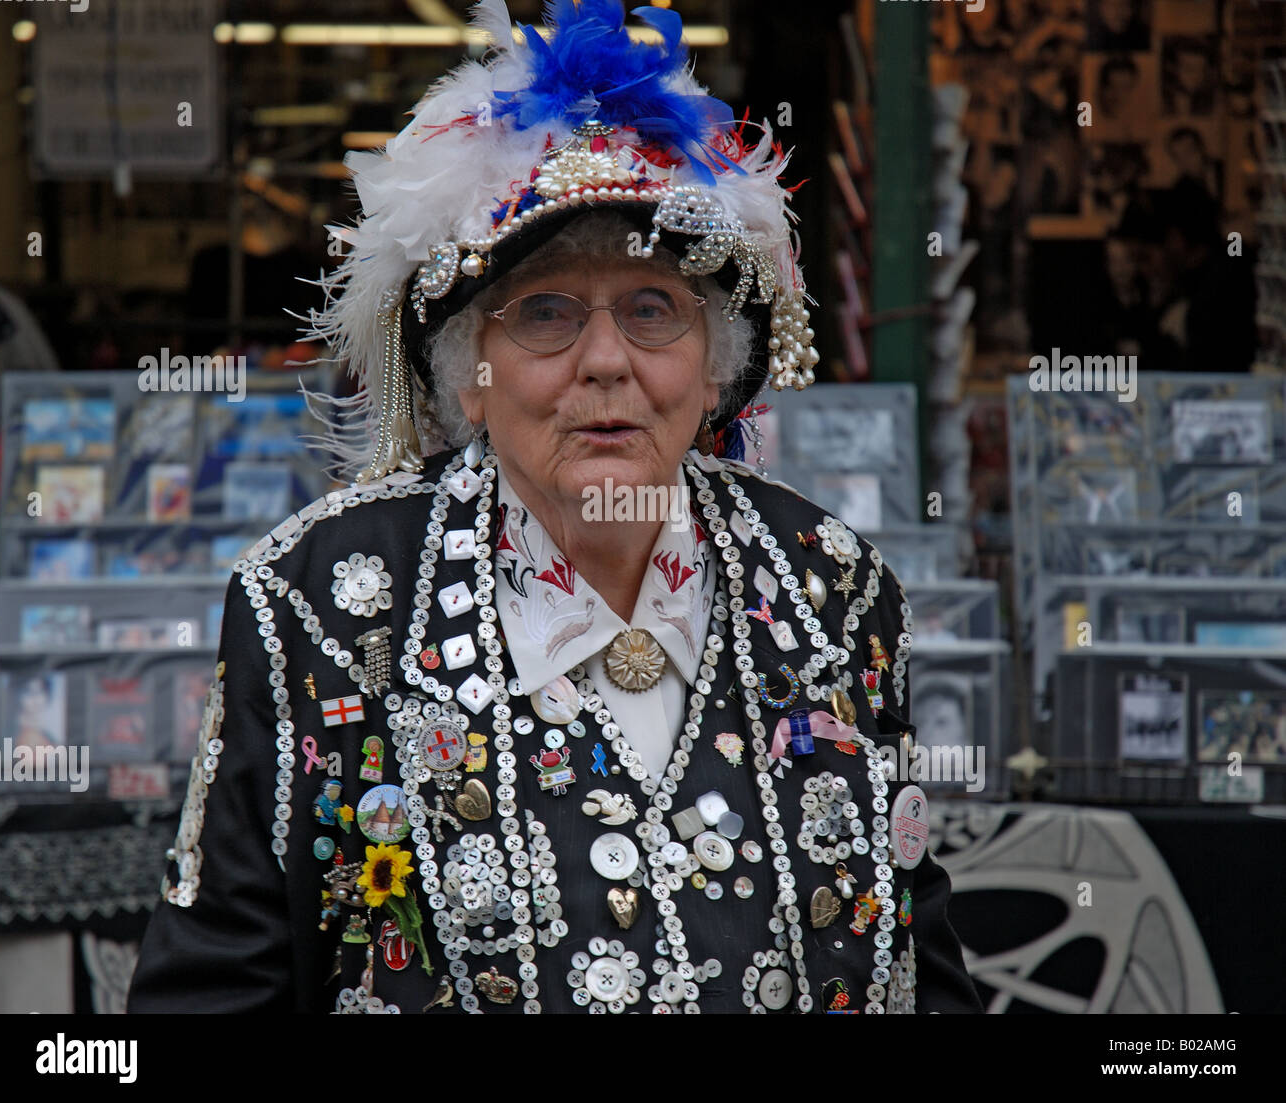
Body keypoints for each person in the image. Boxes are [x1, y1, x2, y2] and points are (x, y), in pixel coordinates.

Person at [129, 0, 978, 1015]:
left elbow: (918, 971)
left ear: (715, 367)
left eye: (654, 307)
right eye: (544, 312)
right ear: (467, 377)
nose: (607, 361)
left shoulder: (832, 587)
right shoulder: (320, 606)